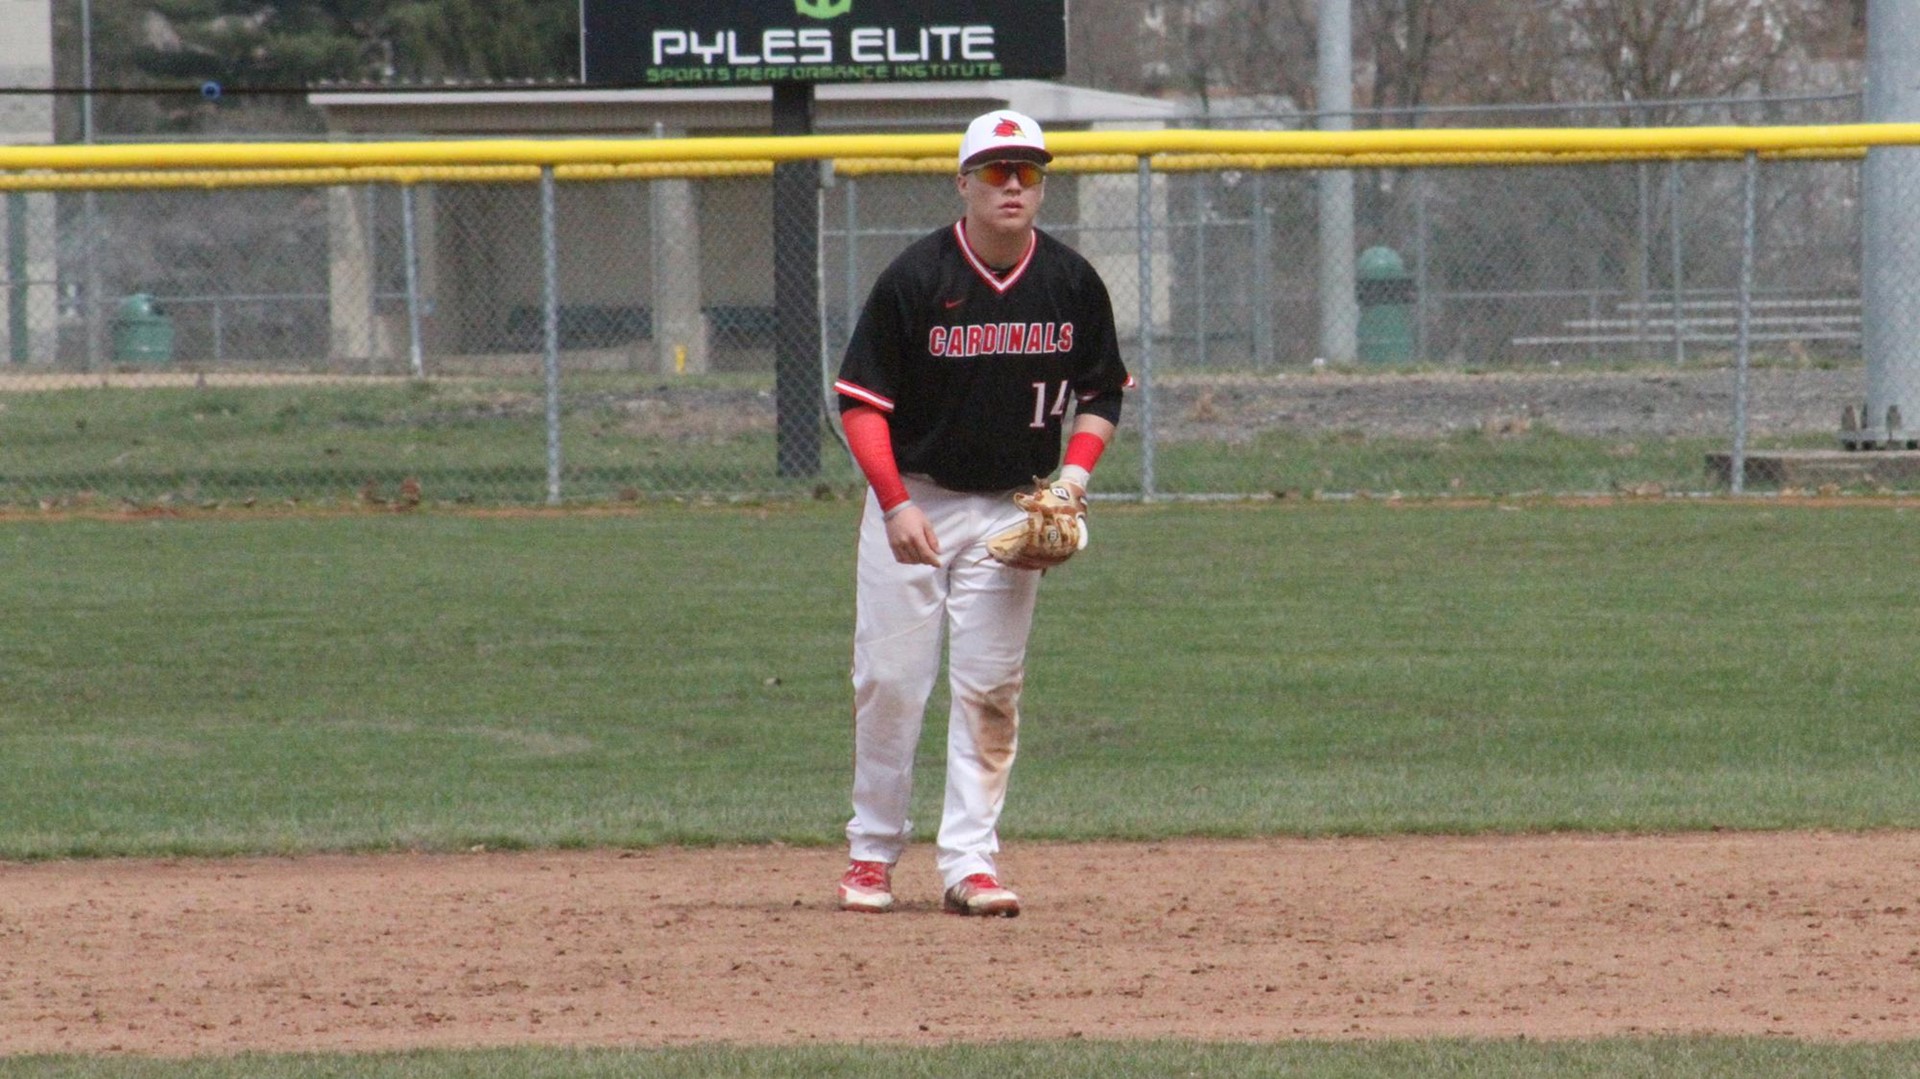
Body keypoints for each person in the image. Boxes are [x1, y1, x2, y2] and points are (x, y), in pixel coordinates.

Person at [830, 109, 1132, 917]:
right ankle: (871, 853)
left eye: (1027, 172)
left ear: (1041, 187)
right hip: (916, 497)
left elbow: (1102, 393)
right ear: (961, 183)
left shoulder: (1071, 281)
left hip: (1011, 509)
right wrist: (894, 503)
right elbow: (859, 404)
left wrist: (1072, 481)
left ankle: (970, 861)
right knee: (890, 681)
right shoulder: (916, 279)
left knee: (992, 686)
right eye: (995, 171)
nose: (1011, 185)